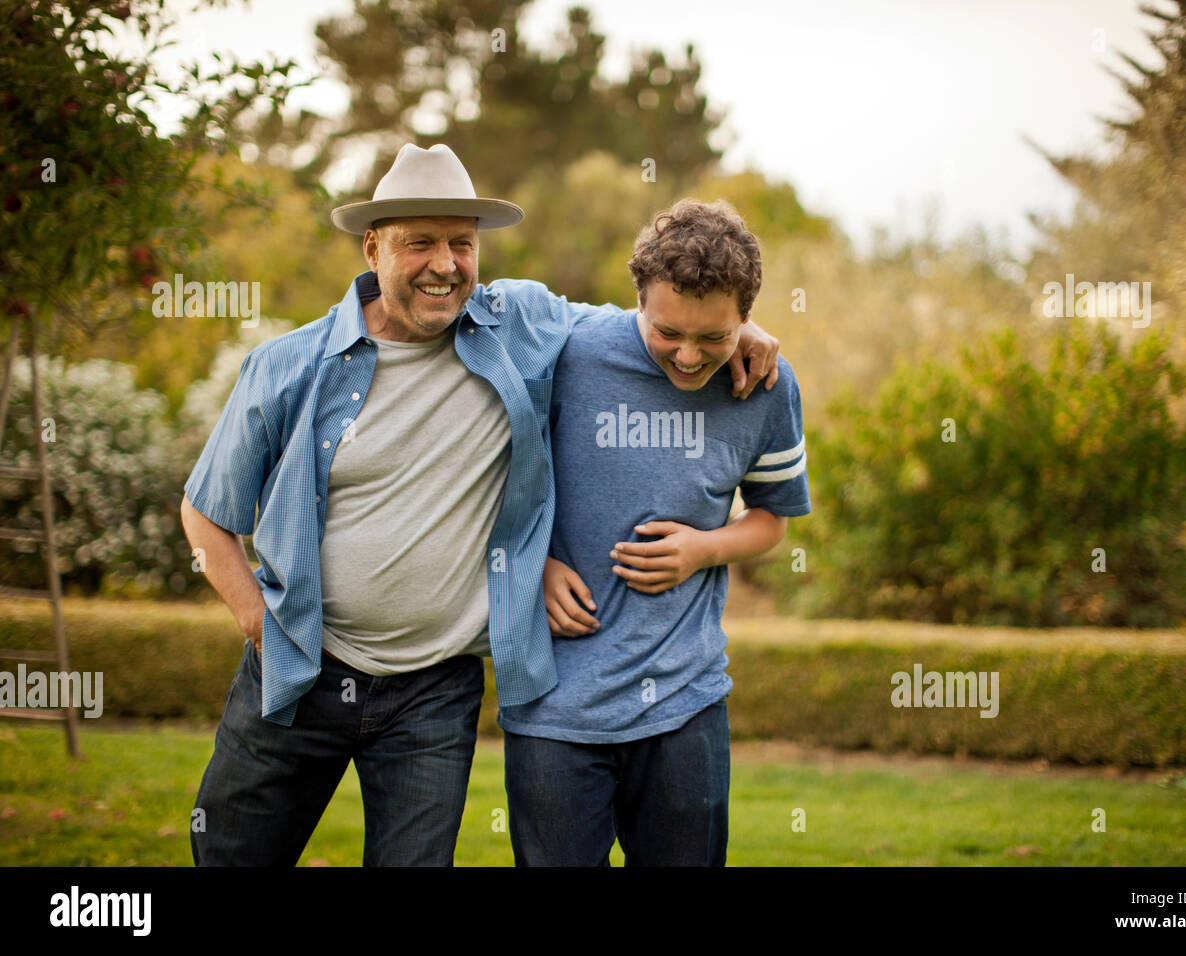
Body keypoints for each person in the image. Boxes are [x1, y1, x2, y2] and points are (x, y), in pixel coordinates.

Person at [180, 144, 781, 866]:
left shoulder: (520, 323)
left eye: (461, 243)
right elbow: (207, 514)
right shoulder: (286, 366)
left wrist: (738, 327)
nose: (445, 263)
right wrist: (260, 623)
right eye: (420, 243)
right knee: (231, 856)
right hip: (300, 667)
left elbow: (645, 325)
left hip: (433, 693)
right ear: (373, 248)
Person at [498, 199, 811, 866]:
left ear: (749, 318)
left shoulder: (766, 388)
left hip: (684, 707)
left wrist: (704, 549)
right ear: (636, 297)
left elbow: (771, 521)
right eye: (669, 332)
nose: (691, 356)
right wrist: (539, 562)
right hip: (555, 708)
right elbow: (484, 474)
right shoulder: (567, 351)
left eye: (714, 337)